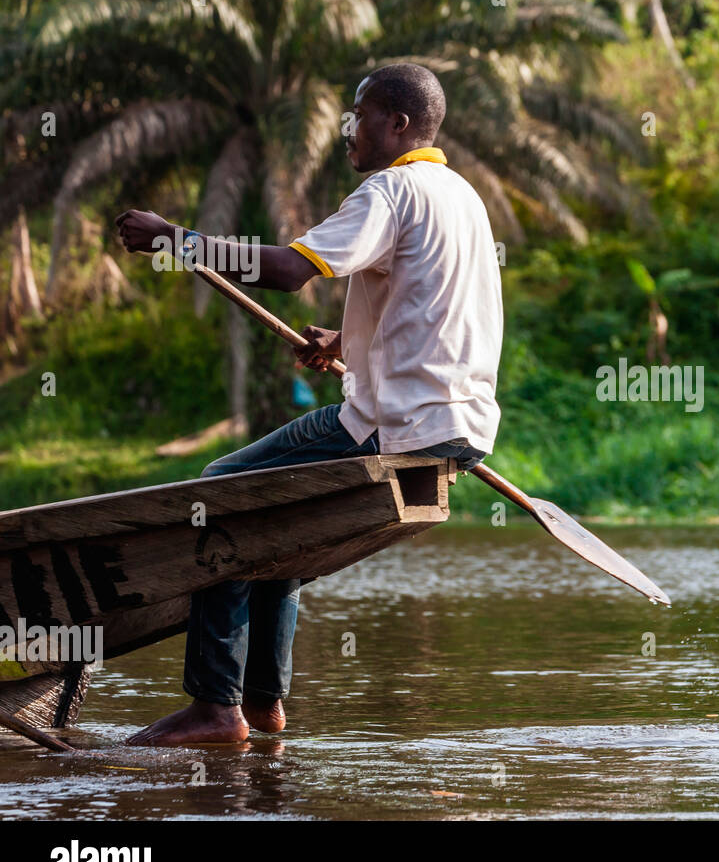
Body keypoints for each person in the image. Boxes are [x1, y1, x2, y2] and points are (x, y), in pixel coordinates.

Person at [114, 63, 503, 746]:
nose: (348, 129)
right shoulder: (461, 196)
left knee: (220, 491)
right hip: (460, 428)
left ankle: (216, 707)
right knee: (278, 531)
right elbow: (429, 306)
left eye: (360, 115)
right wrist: (344, 337)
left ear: (398, 124)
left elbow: (290, 272)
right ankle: (262, 707)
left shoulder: (392, 189)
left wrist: (175, 239)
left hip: (394, 426)